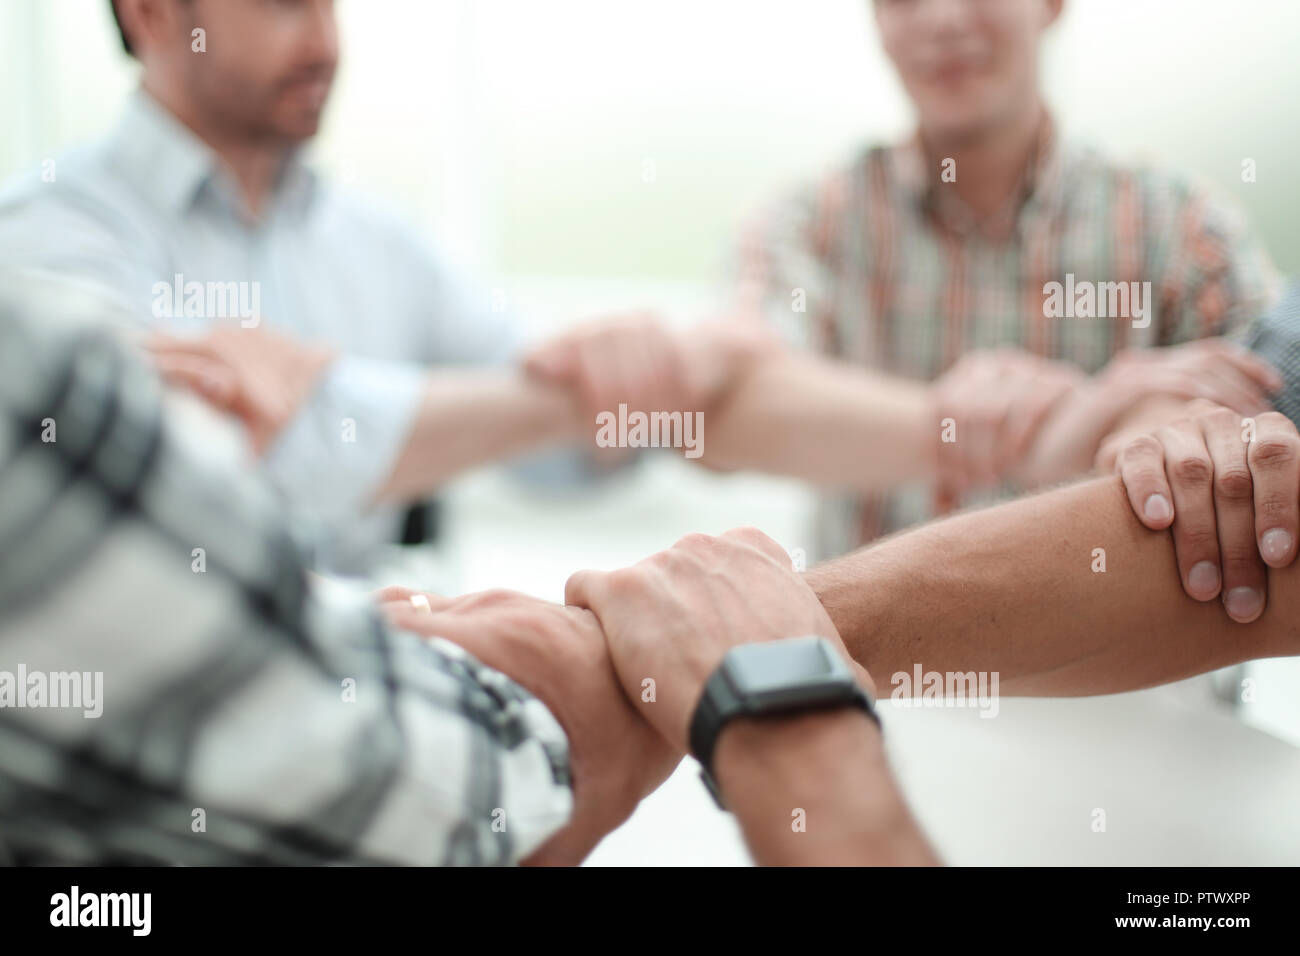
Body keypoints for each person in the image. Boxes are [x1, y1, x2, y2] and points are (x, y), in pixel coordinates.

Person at [0, 0, 720, 574]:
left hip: (367, 705)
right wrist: (566, 401)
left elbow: (550, 456)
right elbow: (241, 457)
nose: (326, 43)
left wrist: (627, 378)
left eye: (332, 5)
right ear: (151, 15)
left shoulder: (376, 242)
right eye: (284, 4)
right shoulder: (46, 235)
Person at [728, 0, 1282, 559]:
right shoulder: (812, 223)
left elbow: (1262, 426)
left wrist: (1122, 420)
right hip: (864, 647)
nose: (942, 19)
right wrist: (1074, 420)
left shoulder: (1184, 229)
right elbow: (733, 400)